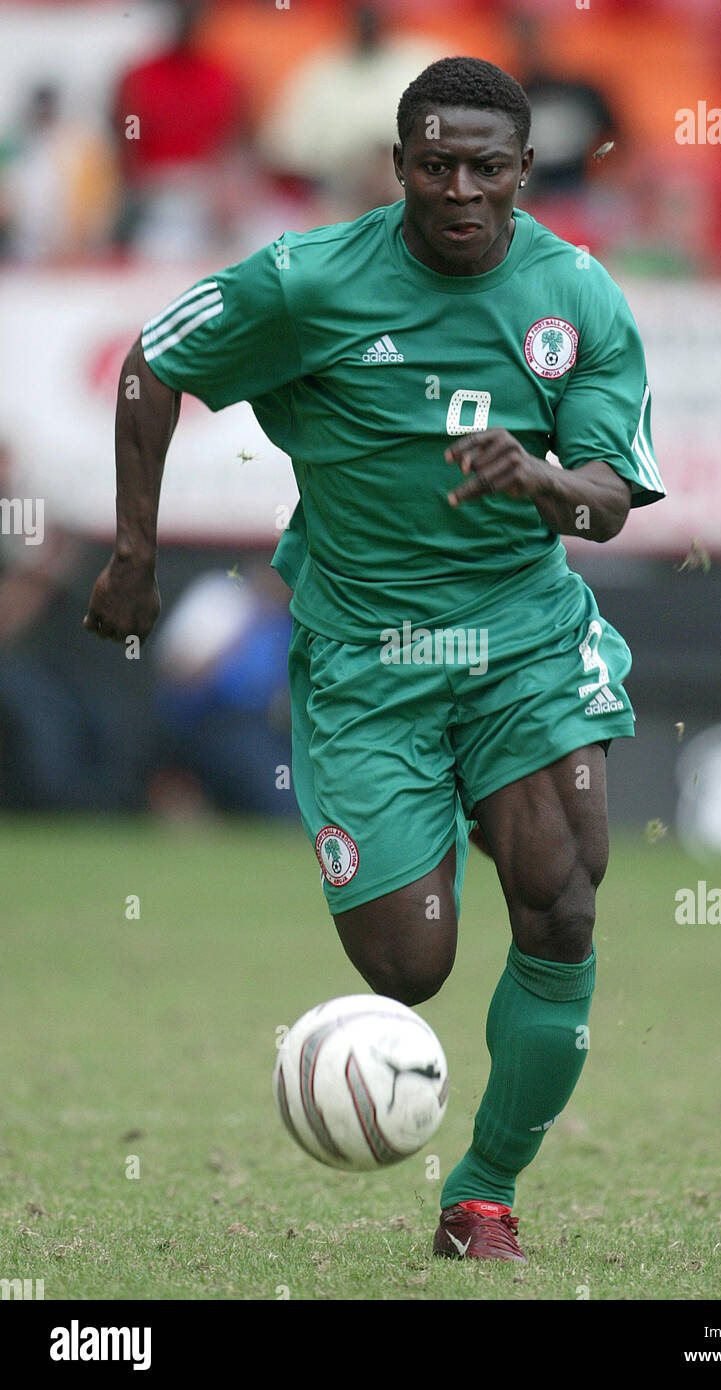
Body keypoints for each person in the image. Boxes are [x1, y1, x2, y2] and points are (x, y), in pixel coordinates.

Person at [84, 57, 665, 1263]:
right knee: (408, 965)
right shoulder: (308, 280)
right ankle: (401, 882)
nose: (461, 189)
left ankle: (483, 1195)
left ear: (523, 172)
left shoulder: (578, 297)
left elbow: (609, 500)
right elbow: (155, 361)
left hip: (523, 642)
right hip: (369, 656)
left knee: (560, 903)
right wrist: (132, 557)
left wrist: (543, 476)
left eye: (486, 168)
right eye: (436, 164)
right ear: (396, 164)